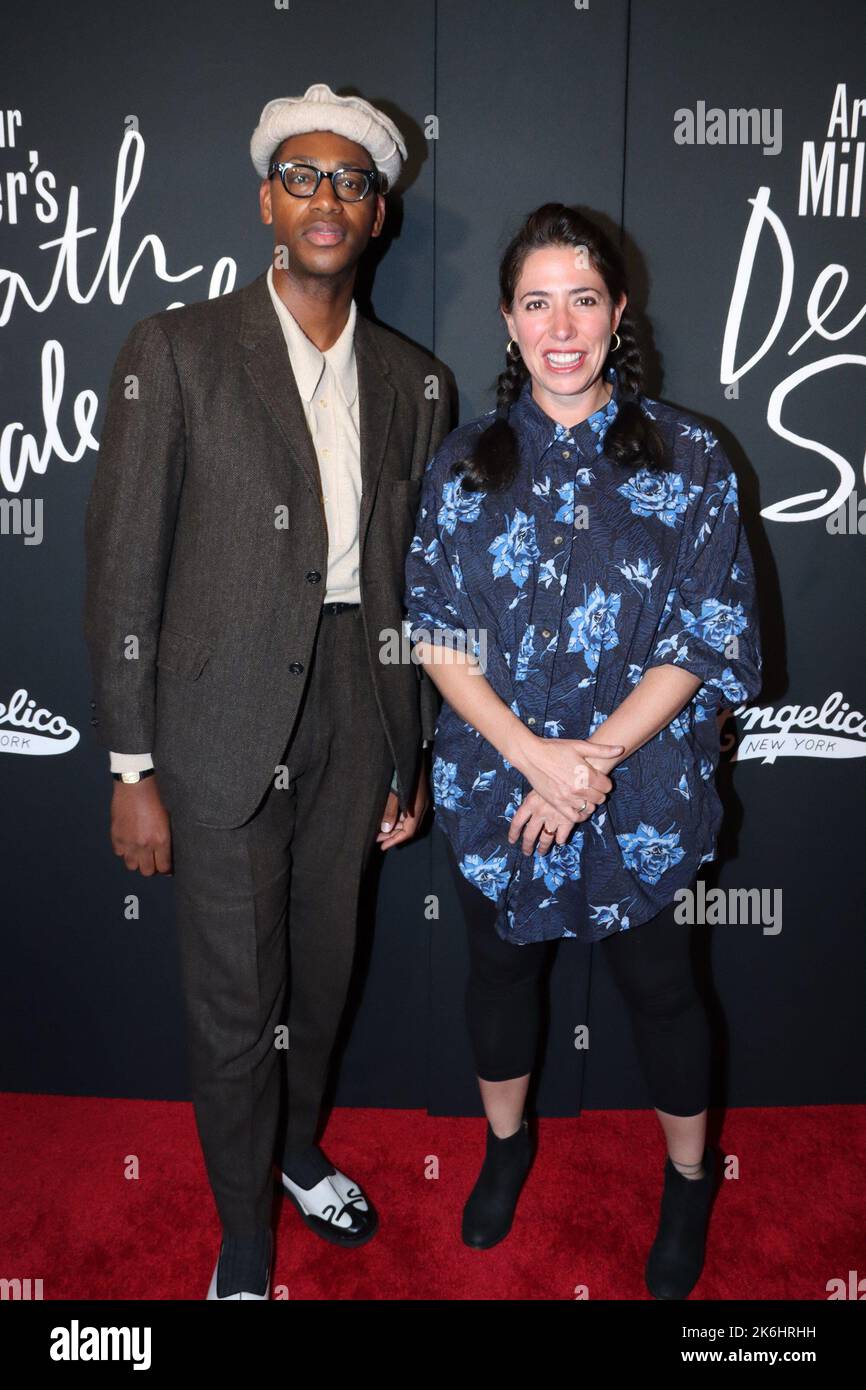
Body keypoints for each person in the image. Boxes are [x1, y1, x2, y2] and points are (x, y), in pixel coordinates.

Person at [83, 83, 456, 1300]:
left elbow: (406, 576)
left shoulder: (417, 382)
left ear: (380, 211)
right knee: (237, 997)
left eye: (350, 180)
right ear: (265, 199)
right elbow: (125, 566)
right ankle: (244, 1238)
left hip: (358, 700)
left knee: (326, 968)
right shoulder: (178, 349)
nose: (325, 198)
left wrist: (408, 742)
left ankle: (296, 1154)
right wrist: (130, 768)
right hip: (217, 719)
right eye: (302, 175)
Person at [403, 203, 762, 1299]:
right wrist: (530, 757)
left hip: (641, 789)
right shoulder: (463, 462)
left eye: (584, 299)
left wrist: (589, 761)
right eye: (535, 302)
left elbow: (707, 635)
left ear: (618, 312)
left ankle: (689, 1173)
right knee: (500, 972)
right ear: (508, 323)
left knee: (661, 991)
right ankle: (506, 1144)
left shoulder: (692, 454)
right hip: (495, 787)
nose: (562, 325)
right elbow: (434, 627)